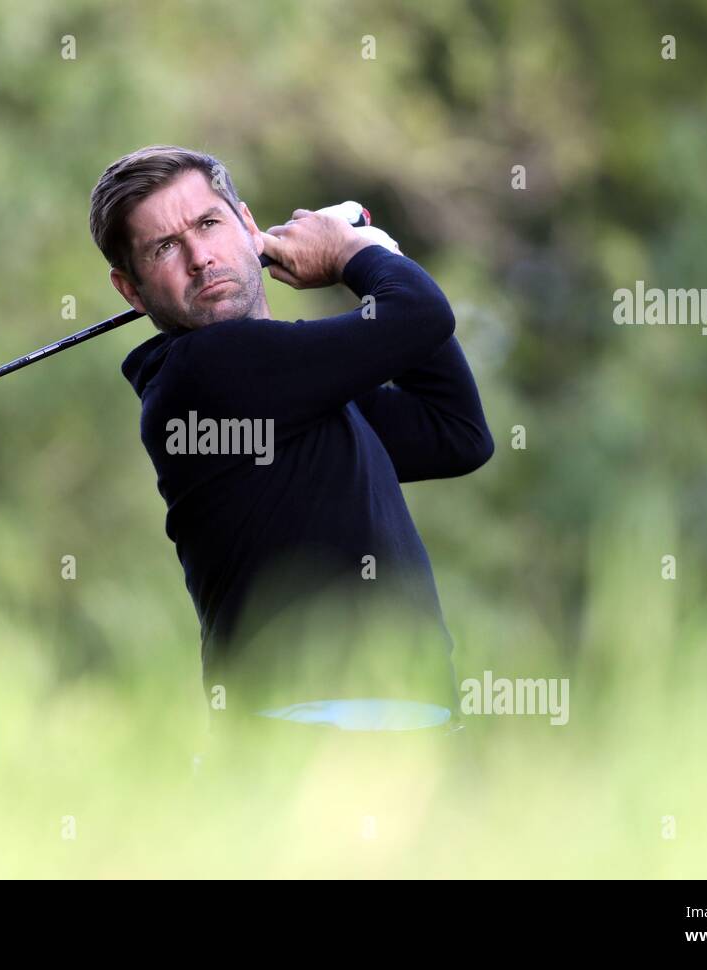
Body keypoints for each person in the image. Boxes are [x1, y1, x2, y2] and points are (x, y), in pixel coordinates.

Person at [89, 145, 494, 737]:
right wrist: (358, 252)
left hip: (404, 727)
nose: (200, 258)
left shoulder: (292, 393)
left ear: (248, 226)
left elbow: (455, 434)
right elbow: (418, 315)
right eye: (165, 247)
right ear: (131, 289)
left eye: (208, 223)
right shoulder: (204, 371)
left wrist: (380, 255)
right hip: (300, 729)